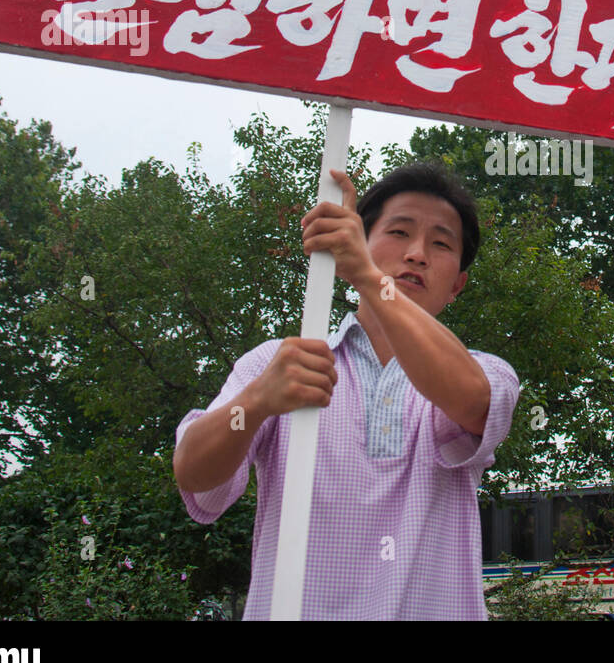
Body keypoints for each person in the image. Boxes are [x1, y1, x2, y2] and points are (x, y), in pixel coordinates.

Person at [172, 162, 520, 619]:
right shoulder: (280, 364)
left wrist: (367, 276)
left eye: (441, 243)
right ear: (361, 240)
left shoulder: (485, 372)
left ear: (458, 284)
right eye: (398, 232)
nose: (417, 254)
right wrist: (256, 402)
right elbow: (194, 476)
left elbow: (471, 401)